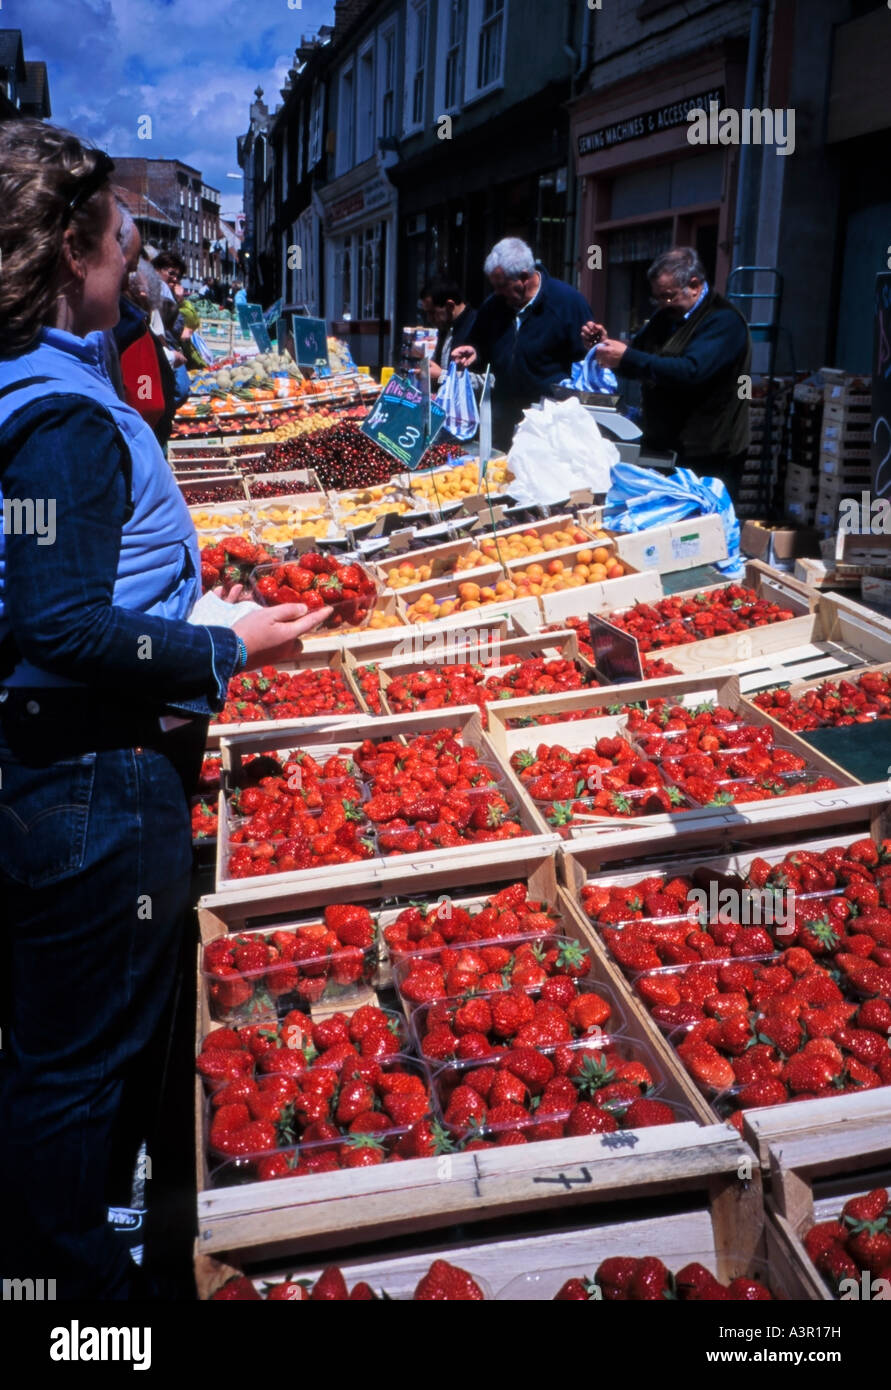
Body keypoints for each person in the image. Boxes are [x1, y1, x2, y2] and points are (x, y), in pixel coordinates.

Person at [0, 119, 330, 1300]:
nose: (139, 269)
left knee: (70, 1059)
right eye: (126, 243)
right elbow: (58, 622)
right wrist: (216, 643)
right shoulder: (63, 420)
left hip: (66, 773)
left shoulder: (39, 388)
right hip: (91, 783)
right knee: (74, 1073)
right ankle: (75, 1302)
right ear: (73, 250)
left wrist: (179, 599)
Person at [582, 247, 752, 503]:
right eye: (658, 298)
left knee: (703, 524)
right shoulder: (666, 317)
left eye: (669, 296)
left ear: (694, 285)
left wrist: (627, 356)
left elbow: (691, 371)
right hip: (667, 445)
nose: (663, 304)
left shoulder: (724, 321)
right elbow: (638, 360)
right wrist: (608, 349)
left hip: (710, 452)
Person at [451, 237, 593, 447]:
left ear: (524, 278)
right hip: (504, 420)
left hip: (549, 423)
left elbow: (585, 364)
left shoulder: (568, 303)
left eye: (502, 285)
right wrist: (473, 352)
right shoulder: (493, 306)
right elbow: (479, 346)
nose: (497, 292)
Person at [426, 279, 477, 386]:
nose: (429, 319)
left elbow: (488, 381)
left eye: (432, 312)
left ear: (450, 306)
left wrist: (442, 376)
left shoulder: (477, 327)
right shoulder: (445, 327)